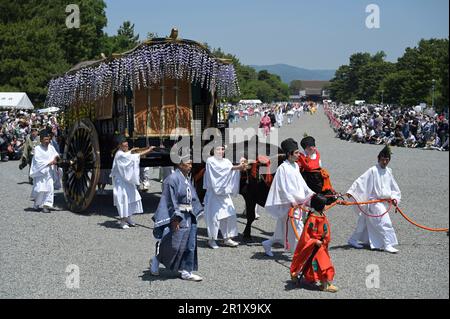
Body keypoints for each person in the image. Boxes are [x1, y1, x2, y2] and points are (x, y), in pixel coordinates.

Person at [150, 154, 204, 281]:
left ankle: (186, 271)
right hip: (178, 216)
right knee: (174, 244)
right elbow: (169, 200)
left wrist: (197, 210)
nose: (191, 166)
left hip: (189, 215)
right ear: (180, 164)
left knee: (190, 244)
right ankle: (157, 259)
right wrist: (175, 218)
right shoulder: (172, 179)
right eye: (188, 163)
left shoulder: (186, 178)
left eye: (191, 163)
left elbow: (193, 197)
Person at [262, 138, 315, 257]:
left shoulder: (295, 166)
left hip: (299, 202)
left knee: (282, 230)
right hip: (290, 204)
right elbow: (282, 187)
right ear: (289, 154)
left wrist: (311, 194)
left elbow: (302, 183)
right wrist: (292, 201)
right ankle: (299, 255)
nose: (298, 155)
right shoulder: (282, 168)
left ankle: (267, 243)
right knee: (298, 228)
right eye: (296, 153)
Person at [347, 145, 401, 253]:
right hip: (374, 202)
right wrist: (352, 191)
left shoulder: (389, 172)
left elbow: (394, 187)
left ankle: (353, 239)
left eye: (387, 159)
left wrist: (394, 198)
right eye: (383, 159)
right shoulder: (372, 170)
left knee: (363, 222)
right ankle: (387, 244)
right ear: (379, 159)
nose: (385, 162)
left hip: (382, 202)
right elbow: (361, 180)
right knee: (384, 222)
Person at [290, 194, 338, 293]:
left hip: (321, 245)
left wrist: (325, 239)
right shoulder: (312, 218)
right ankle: (325, 285)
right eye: (324, 204)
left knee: (317, 264)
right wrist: (315, 241)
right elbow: (306, 236)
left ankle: (324, 283)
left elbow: (326, 230)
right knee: (323, 264)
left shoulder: (321, 215)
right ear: (320, 206)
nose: (326, 206)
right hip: (314, 246)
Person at [203, 145, 246, 249]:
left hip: (224, 194)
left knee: (230, 214)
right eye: (218, 149)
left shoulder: (226, 161)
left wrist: (241, 165)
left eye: (222, 149)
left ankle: (227, 238)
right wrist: (237, 167)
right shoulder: (210, 161)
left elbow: (231, 172)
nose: (221, 151)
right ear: (213, 150)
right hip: (214, 194)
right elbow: (221, 171)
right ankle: (211, 239)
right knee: (214, 217)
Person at [110, 138, 155, 229]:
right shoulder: (119, 154)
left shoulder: (123, 153)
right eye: (124, 145)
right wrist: (148, 150)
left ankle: (128, 217)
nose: (126, 146)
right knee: (123, 199)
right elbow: (133, 157)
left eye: (127, 145)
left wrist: (132, 150)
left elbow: (129, 154)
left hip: (127, 181)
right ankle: (122, 220)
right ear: (119, 146)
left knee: (131, 197)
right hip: (121, 181)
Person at [29, 130, 60, 213]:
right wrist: (49, 163)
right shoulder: (37, 149)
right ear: (41, 140)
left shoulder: (51, 147)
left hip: (49, 172)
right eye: (45, 140)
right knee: (40, 189)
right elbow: (38, 162)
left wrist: (55, 158)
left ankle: (46, 205)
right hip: (41, 173)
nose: (47, 141)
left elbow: (56, 154)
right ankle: (37, 204)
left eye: (48, 139)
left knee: (50, 188)